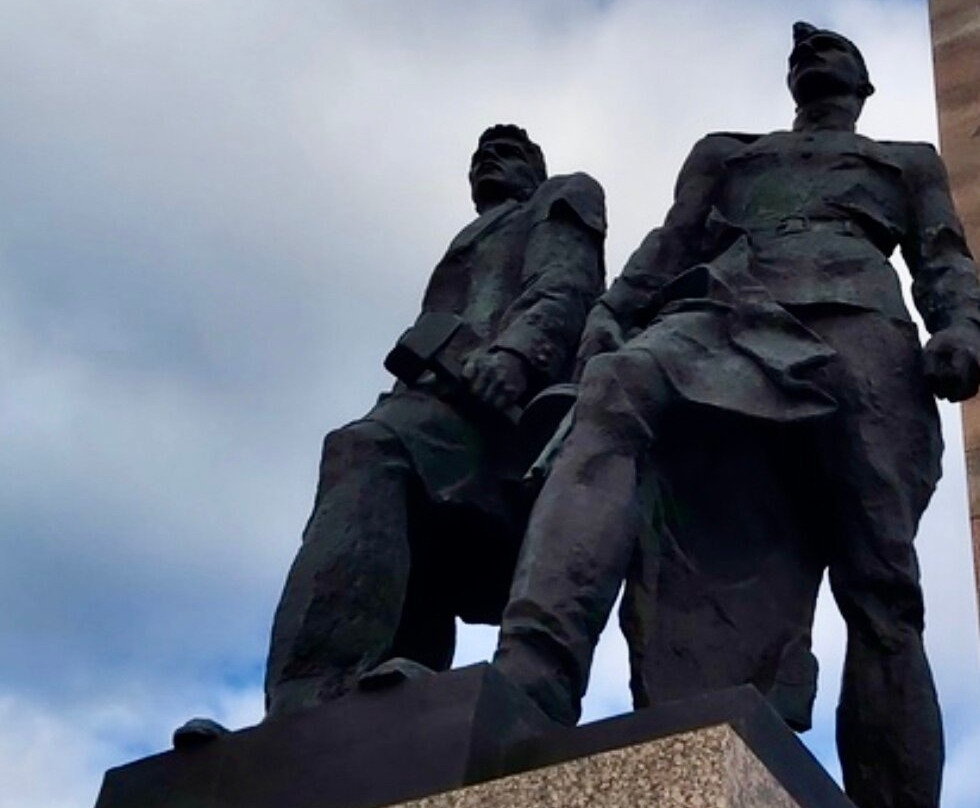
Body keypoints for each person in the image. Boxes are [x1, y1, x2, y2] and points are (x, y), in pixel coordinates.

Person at [493, 24, 980, 808]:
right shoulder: (728, 153)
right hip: (730, 312)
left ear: (862, 84)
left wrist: (960, 326)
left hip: (860, 331)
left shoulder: (907, 162)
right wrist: (611, 314)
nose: (810, 53)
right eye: (800, 54)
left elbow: (944, 257)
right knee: (618, 386)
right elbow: (670, 242)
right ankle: (533, 674)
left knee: (882, 582)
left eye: (830, 50)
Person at [264, 124, 607, 718]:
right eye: (478, 157)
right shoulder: (473, 233)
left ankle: (311, 695)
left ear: (536, 167)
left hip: (501, 410)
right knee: (398, 524)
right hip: (434, 395)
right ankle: (382, 695)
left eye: (506, 152)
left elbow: (565, 283)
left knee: (367, 450)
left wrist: (517, 354)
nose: (486, 163)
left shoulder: (562, 195)